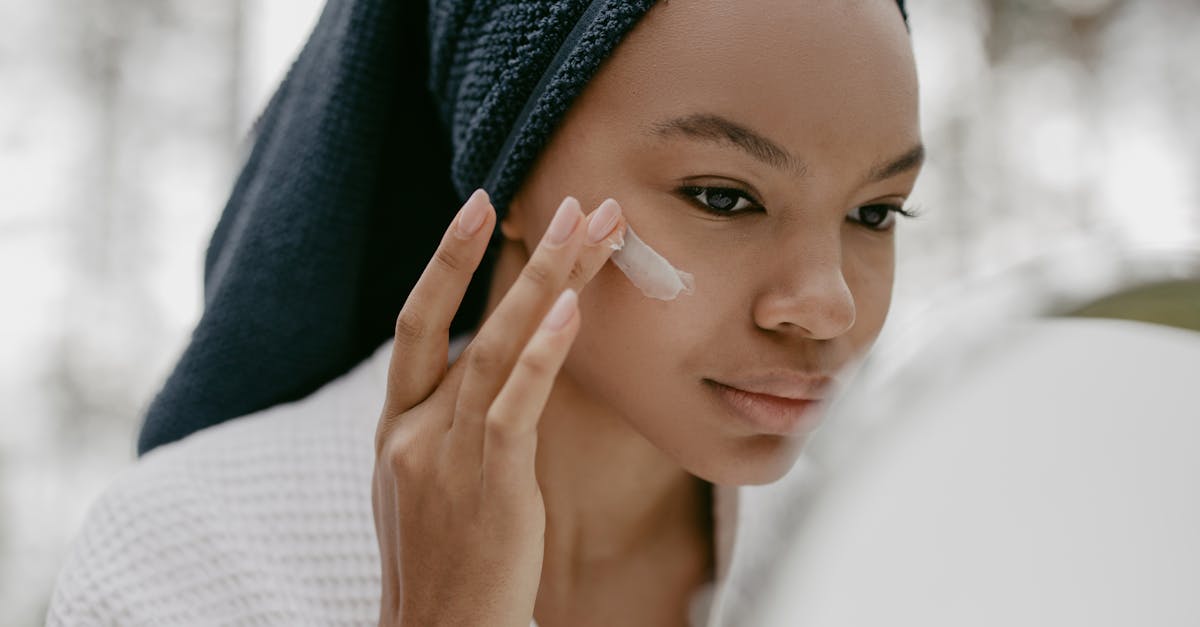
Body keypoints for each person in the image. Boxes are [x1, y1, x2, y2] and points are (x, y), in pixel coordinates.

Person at [46, 0, 921, 625]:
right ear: (512, 180)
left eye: (875, 212)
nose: (826, 304)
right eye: (724, 198)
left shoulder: (897, 541)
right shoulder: (184, 562)